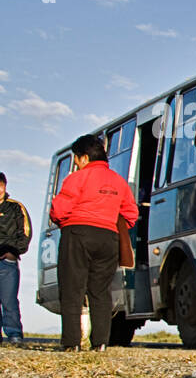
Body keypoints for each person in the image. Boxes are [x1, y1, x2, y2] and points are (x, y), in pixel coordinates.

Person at [49, 135, 138, 351]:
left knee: (72, 289)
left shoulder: (77, 178)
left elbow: (58, 210)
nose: (76, 164)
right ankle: (100, 342)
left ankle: (71, 343)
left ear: (85, 157)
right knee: (100, 290)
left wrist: (65, 222)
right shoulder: (118, 181)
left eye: (77, 159)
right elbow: (130, 214)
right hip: (108, 237)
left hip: (77, 233)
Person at [0, 171, 33, 342]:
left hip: (7, 262)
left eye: (0, 186)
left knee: (9, 300)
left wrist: (12, 253)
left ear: (5, 186)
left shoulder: (15, 207)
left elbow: (26, 233)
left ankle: (14, 334)